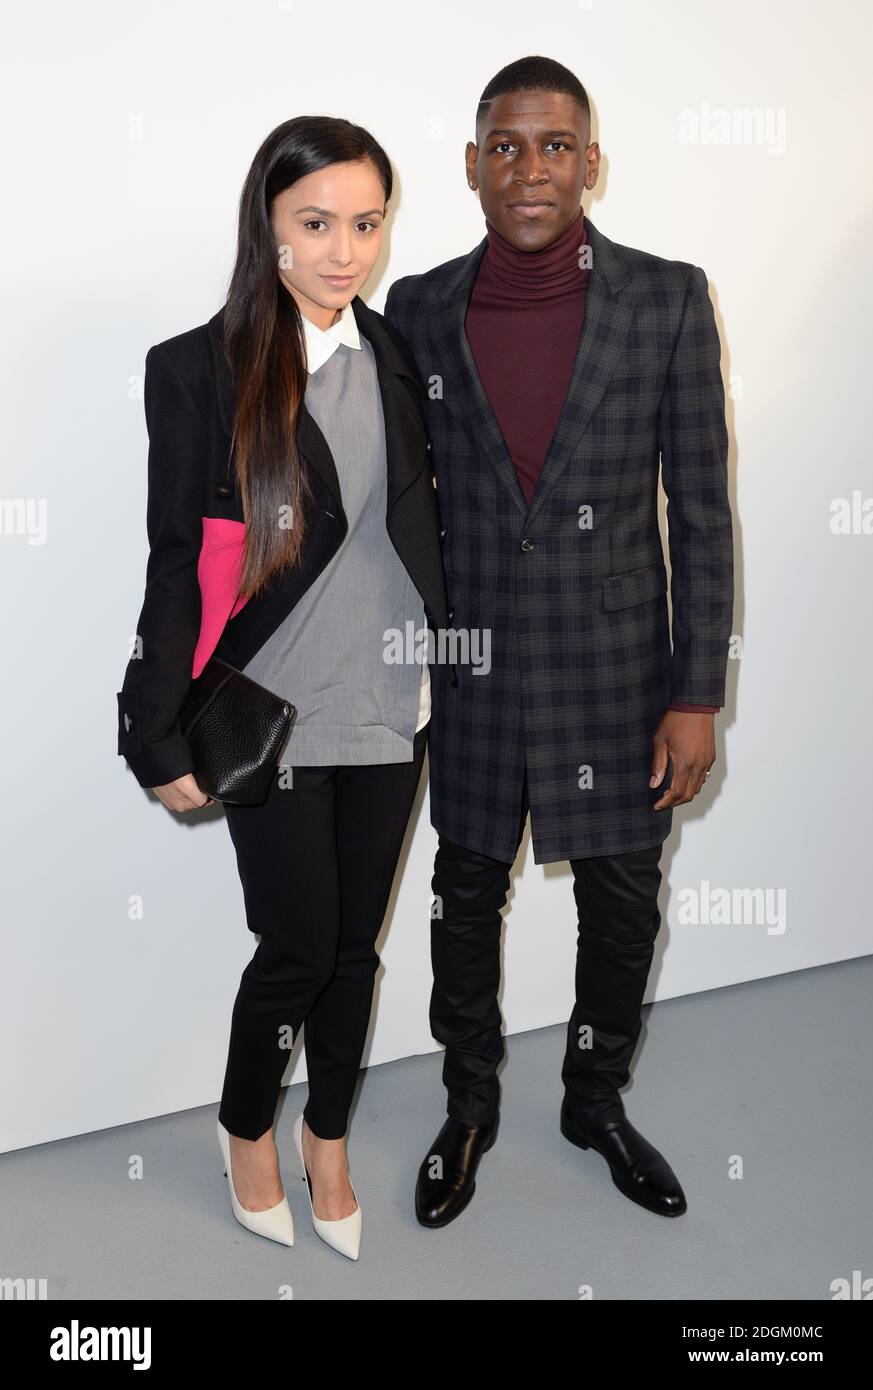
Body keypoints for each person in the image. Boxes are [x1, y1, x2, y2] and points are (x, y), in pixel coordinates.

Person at [384, 55, 734, 1226]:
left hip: (620, 672)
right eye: (505, 144)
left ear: (590, 161)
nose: (529, 166)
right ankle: (468, 1101)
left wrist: (700, 692)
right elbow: (404, 502)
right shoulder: (421, 309)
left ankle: (594, 1097)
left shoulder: (668, 297)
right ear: (473, 165)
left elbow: (701, 507)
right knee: (464, 892)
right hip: (475, 667)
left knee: (623, 903)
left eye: (553, 144)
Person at [116, 115, 449, 1258]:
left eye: (365, 223)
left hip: (393, 701)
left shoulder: (399, 355)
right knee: (299, 946)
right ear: (269, 226)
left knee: (358, 949)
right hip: (273, 717)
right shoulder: (198, 372)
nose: (344, 251)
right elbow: (179, 563)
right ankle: (246, 1128)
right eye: (316, 224)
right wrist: (153, 730)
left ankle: (332, 1139)